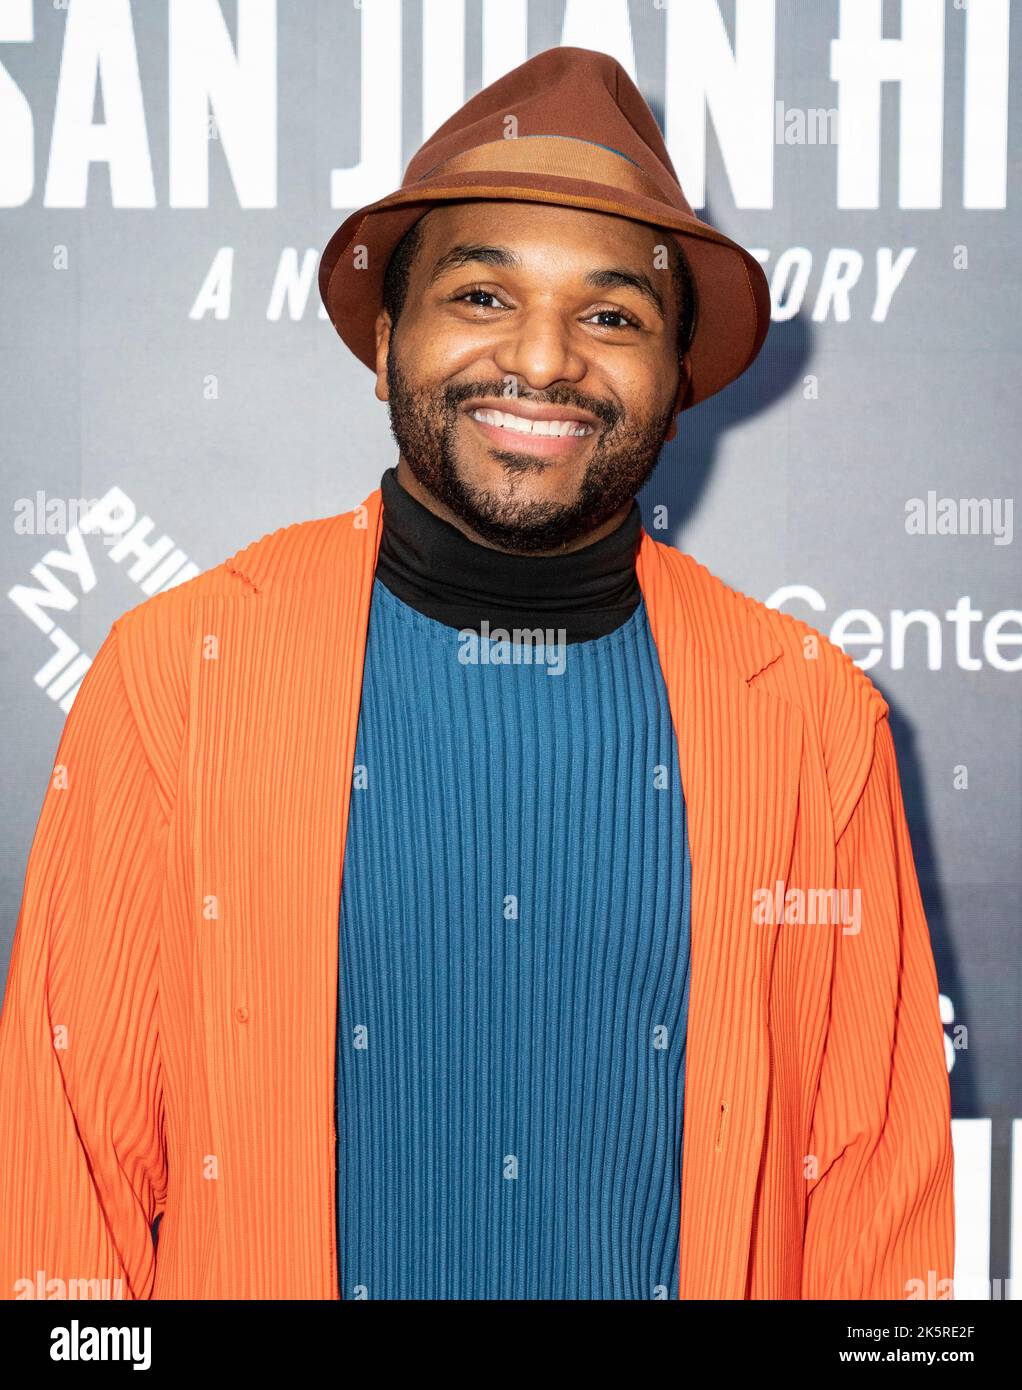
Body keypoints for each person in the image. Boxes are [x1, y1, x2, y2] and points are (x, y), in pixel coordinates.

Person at [0, 46, 953, 1301]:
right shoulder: (179, 674)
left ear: (676, 384)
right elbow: (71, 1179)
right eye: (483, 296)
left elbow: (879, 1198)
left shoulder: (810, 713)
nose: (546, 360)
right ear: (388, 336)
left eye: (611, 314)